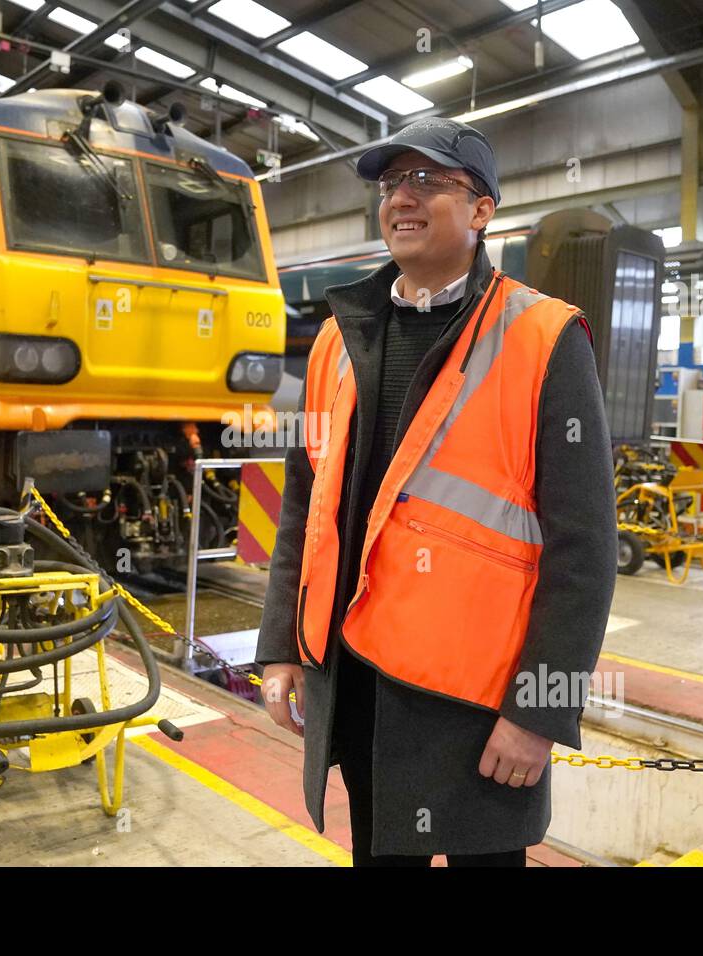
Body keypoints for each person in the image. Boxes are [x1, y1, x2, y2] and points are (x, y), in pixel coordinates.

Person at [255, 117, 618, 867]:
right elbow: (304, 507)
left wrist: (540, 710)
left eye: (428, 181)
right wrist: (282, 647)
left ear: (482, 210)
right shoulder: (338, 339)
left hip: (476, 707)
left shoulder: (544, 337)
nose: (402, 199)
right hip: (358, 684)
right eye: (392, 183)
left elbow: (584, 550)